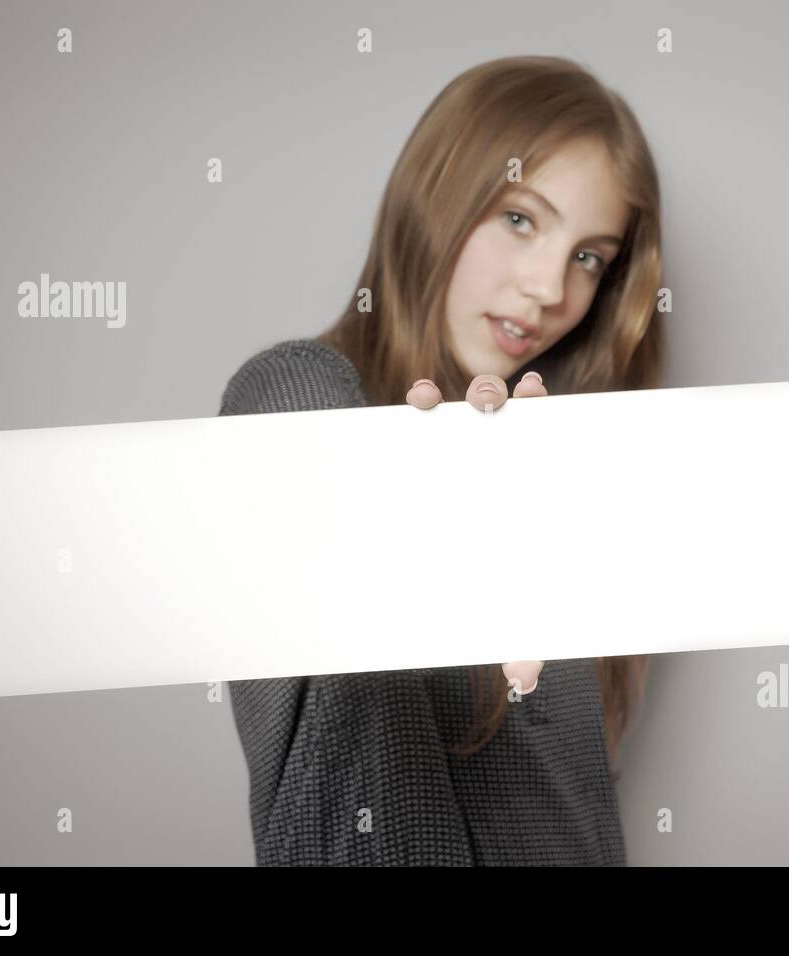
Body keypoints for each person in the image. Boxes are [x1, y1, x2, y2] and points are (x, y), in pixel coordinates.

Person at [219, 55, 666, 865]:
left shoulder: (548, 474)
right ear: (439, 191)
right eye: (523, 220)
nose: (548, 291)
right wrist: (416, 531)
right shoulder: (298, 394)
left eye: (590, 257)